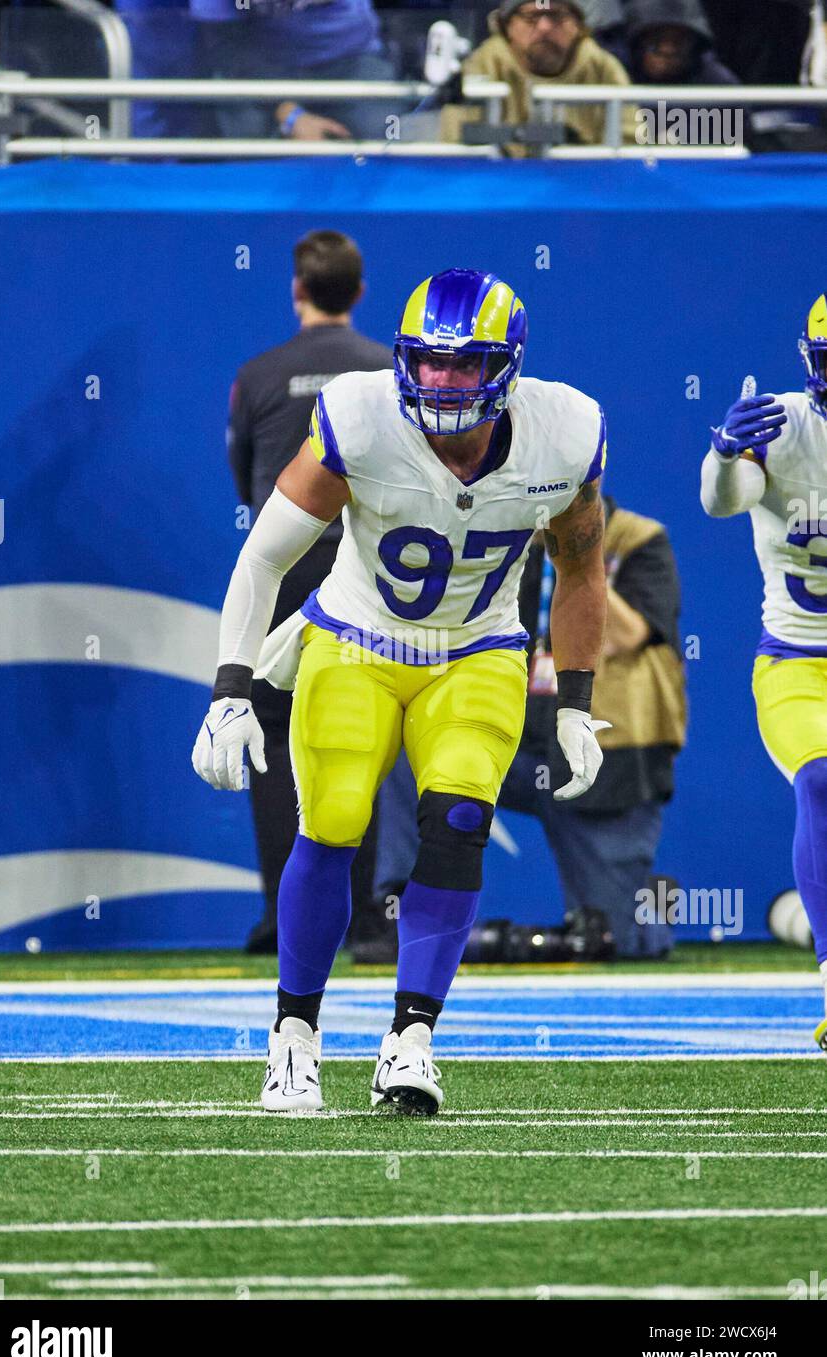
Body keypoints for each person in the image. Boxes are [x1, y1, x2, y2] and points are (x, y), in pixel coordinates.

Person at [192, 267, 610, 1116]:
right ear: (401, 360)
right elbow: (265, 555)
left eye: (467, 366)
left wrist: (575, 700)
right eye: (429, 362)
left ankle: (410, 1040)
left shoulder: (565, 433)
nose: (444, 382)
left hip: (478, 648)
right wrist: (230, 688)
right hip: (356, 638)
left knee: (459, 821)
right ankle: (295, 1038)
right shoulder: (359, 415)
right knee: (336, 819)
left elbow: (580, 567)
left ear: (509, 368)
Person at [228, 230, 390, 952]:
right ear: (358, 293)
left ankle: (280, 920)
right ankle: (354, 915)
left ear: (297, 289)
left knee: (269, 732)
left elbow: (247, 483)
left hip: (287, 566)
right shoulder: (390, 373)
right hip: (369, 572)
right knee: (364, 730)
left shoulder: (258, 375)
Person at [700, 295, 827, 1050]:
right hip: (798, 662)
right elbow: (723, 503)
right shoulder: (783, 422)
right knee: (819, 780)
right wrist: (722, 452)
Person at [497, 491, 686, 957]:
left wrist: (576, 556)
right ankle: (394, 908)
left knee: (614, 941)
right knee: (409, 757)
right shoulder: (520, 544)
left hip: (607, 758)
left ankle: (645, 903)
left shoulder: (640, 540)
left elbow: (626, 637)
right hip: (524, 747)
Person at [440, 0, 636, 152]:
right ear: (507, 26)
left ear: (578, 26)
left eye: (556, 16)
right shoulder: (483, 64)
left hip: (583, 191)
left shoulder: (602, 67)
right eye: (531, 16)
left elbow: (630, 146)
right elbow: (457, 145)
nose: (544, 27)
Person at [193, 0, 399, 142]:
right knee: (248, 137)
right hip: (262, 68)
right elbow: (225, 45)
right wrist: (290, 114)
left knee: (383, 139)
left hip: (352, 57)